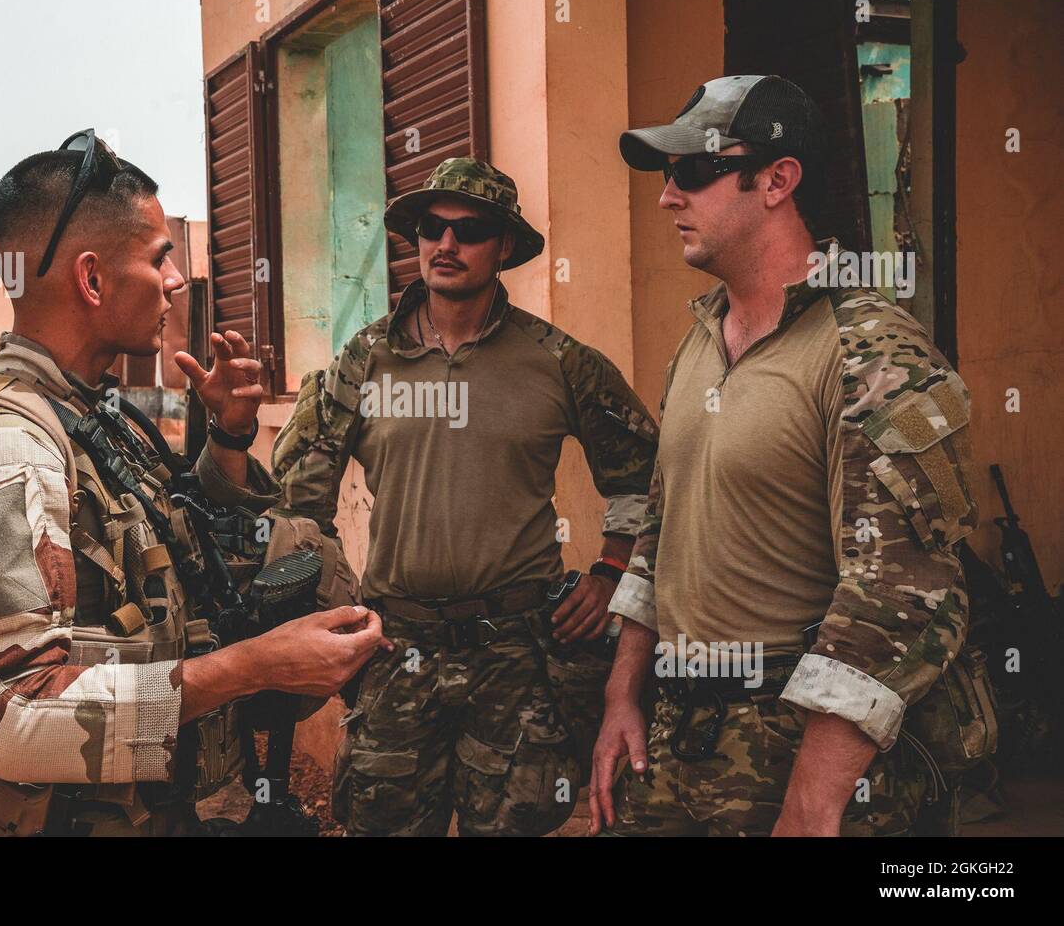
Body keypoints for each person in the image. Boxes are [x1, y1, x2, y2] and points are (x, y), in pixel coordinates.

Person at [0, 131, 385, 835]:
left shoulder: (89, 410)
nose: (177, 281)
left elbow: (159, 545)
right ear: (93, 279)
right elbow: (5, 716)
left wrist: (226, 439)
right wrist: (253, 666)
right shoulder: (0, 453)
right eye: (161, 258)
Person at [589, 76, 978, 836]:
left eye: (692, 172)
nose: (669, 197)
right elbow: (658, 534)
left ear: (777, 180)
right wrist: (621, 698)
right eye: (665, 177)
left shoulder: (872, 352)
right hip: (674, 743)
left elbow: (901, 593)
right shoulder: (697, 342)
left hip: (790, 741)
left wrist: (810, 805)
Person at [271, 157, 659, 835]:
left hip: (515, 648)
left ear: (504, 246)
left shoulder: (558, 360)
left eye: (470, 229)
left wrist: (611, 575)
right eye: (432, 227)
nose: (446, 244)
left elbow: (644, 476)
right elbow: (301, 498)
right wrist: (331, 603)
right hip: (396, 644)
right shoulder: (364, 361)